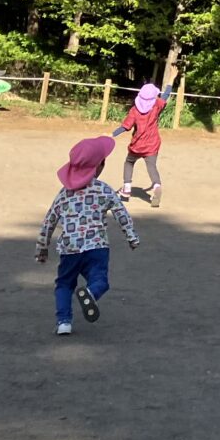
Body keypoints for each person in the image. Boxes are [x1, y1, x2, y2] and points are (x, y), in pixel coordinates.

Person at [36, 136, 140, 336]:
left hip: (70, 248)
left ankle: (64, 322)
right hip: (97, 246)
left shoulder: (64, 193)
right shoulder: (103, 190)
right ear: (99, 166)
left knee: (65, 283)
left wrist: (42, 247)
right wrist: (131, 237)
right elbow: (121, 213)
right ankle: (91, 293)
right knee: (100, 280)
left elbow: (50, 220)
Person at [113, 82, 165, 207]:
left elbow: (125, 127)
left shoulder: (134, 110)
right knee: (151, 166)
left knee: (129, 162)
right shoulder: (156, 106)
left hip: (137, 145)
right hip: (152, 144)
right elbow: (165, 96)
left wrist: (112, 134)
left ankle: (126, 189)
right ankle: (156, 185)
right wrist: (171, 80)